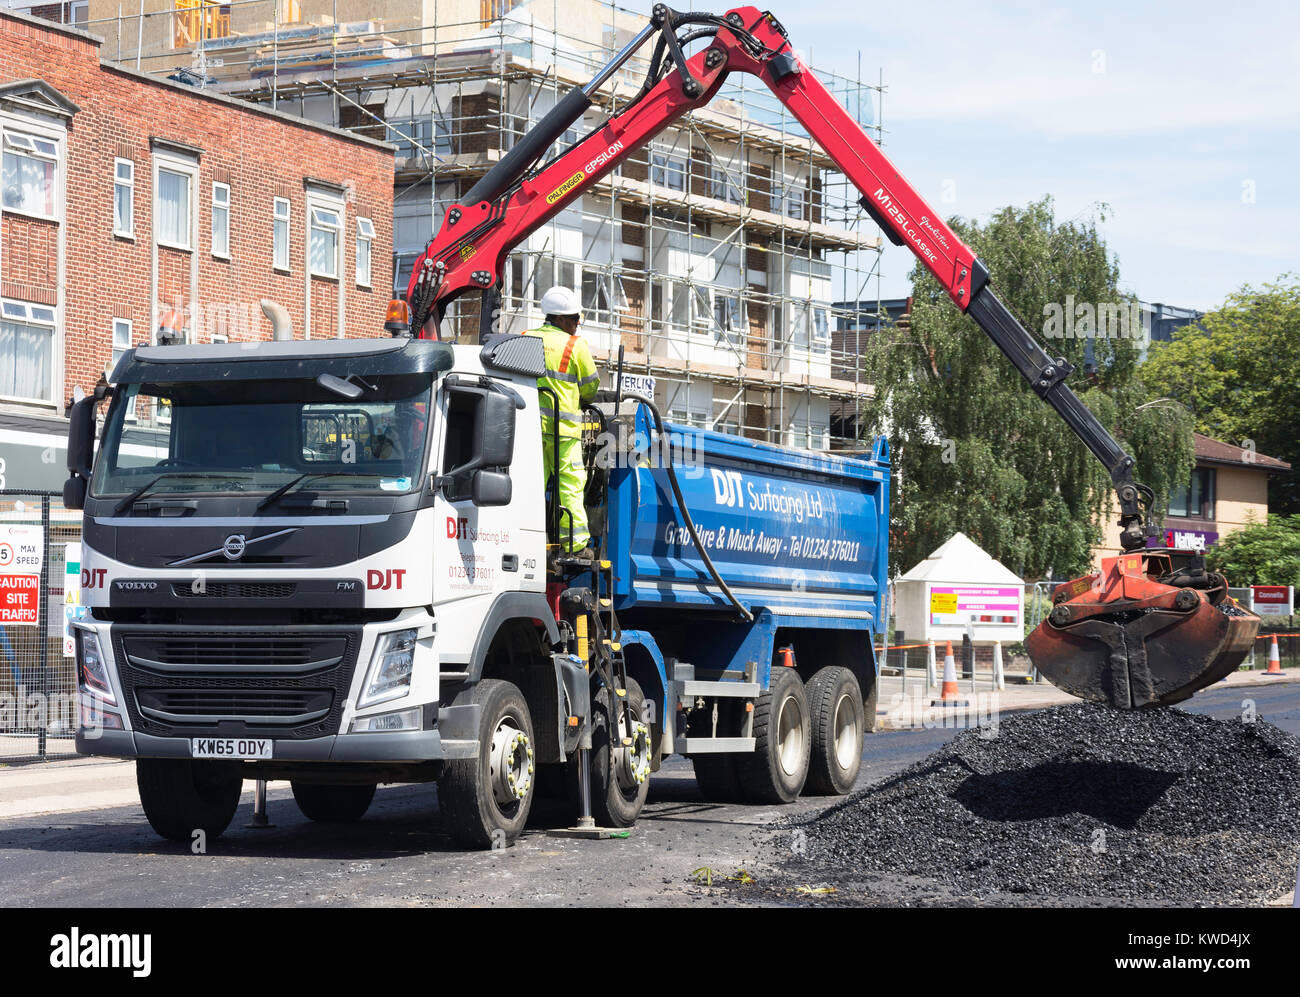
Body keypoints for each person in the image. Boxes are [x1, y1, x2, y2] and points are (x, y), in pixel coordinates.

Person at [526, 286, 599, 557]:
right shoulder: (575, 346)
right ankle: (575, 546)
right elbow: (591, 386)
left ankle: (529, 541)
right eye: (574, 319)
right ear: (558, 318)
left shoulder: (525, 338)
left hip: (530, 430)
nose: (576, 325)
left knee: (531, 485)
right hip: (564, 432)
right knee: (570, 485)